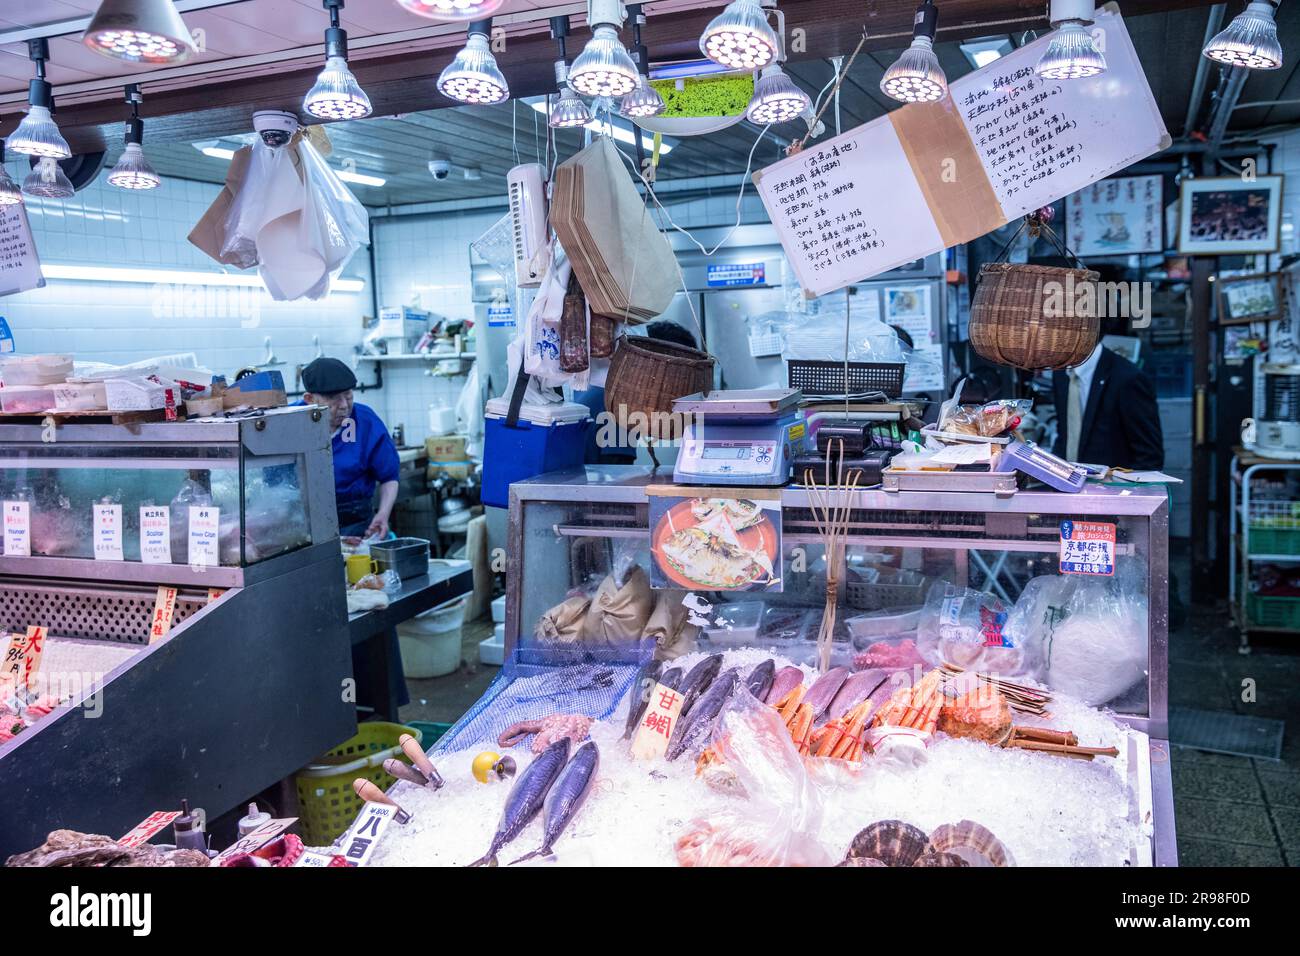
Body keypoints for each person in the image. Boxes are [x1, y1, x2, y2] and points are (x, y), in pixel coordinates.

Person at [300, 357, 400, 539]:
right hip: (304, 522)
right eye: (333, 398)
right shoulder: (290, 422)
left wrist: (383, 514)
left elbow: (389, 476)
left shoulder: (365, 421)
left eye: (348, 396)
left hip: (357, 521)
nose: (344, 406)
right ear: (309, 399)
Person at [1051, 342, 1164, 469]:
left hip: (1113, 479)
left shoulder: (1128, 378)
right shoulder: (1061, 372)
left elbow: (1149, 455)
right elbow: (1065, 432)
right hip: (1069, 477)